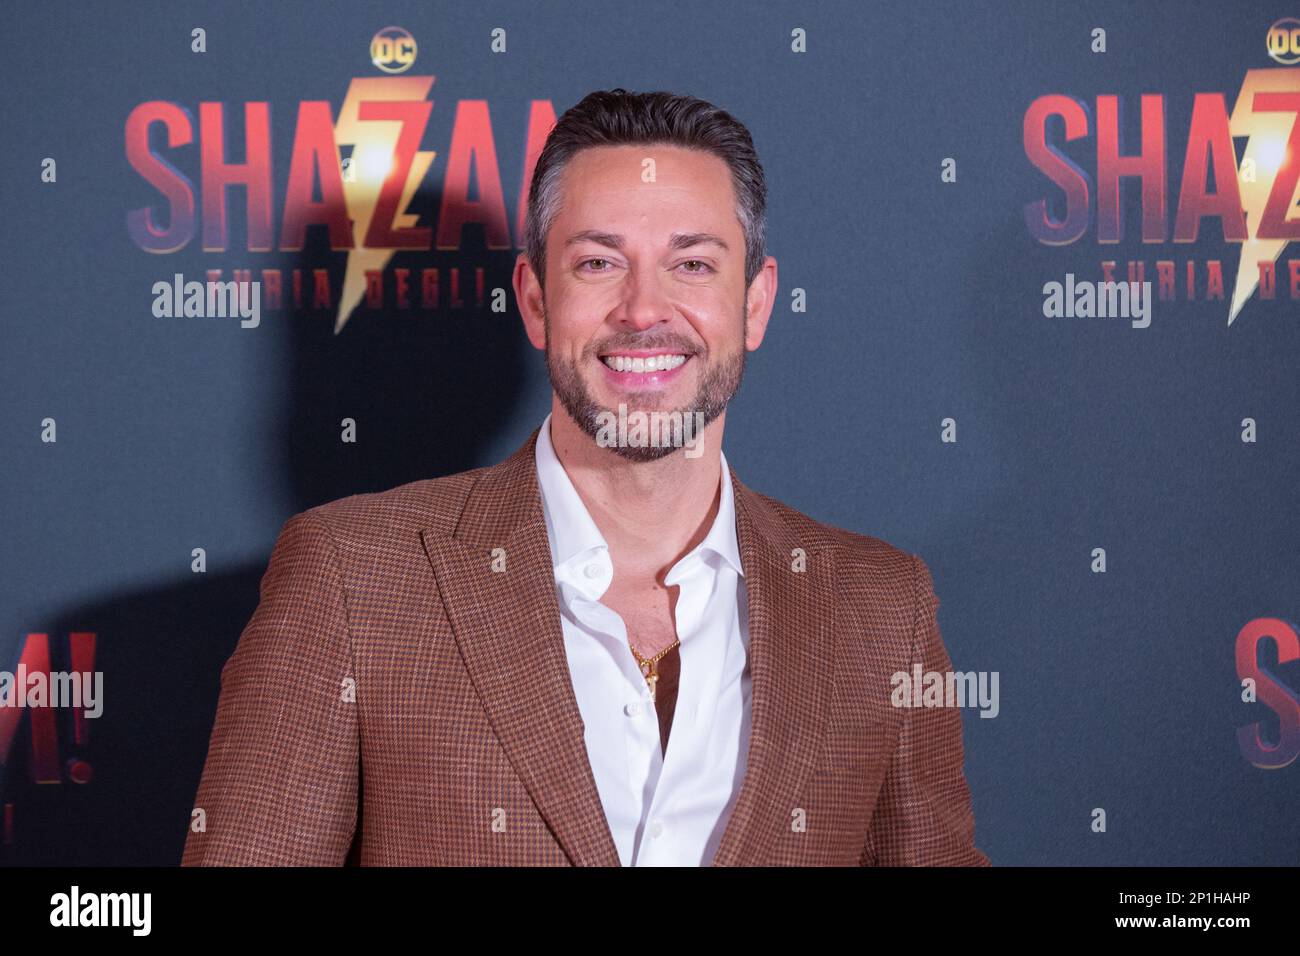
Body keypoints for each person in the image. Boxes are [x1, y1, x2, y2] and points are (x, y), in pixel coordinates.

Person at [182, 88, 989, 866]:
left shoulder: (882, 609)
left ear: (756, 302)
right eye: (600, 262)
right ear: (535, 300)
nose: (644, 309)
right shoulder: (353, 578)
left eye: (694, 265)